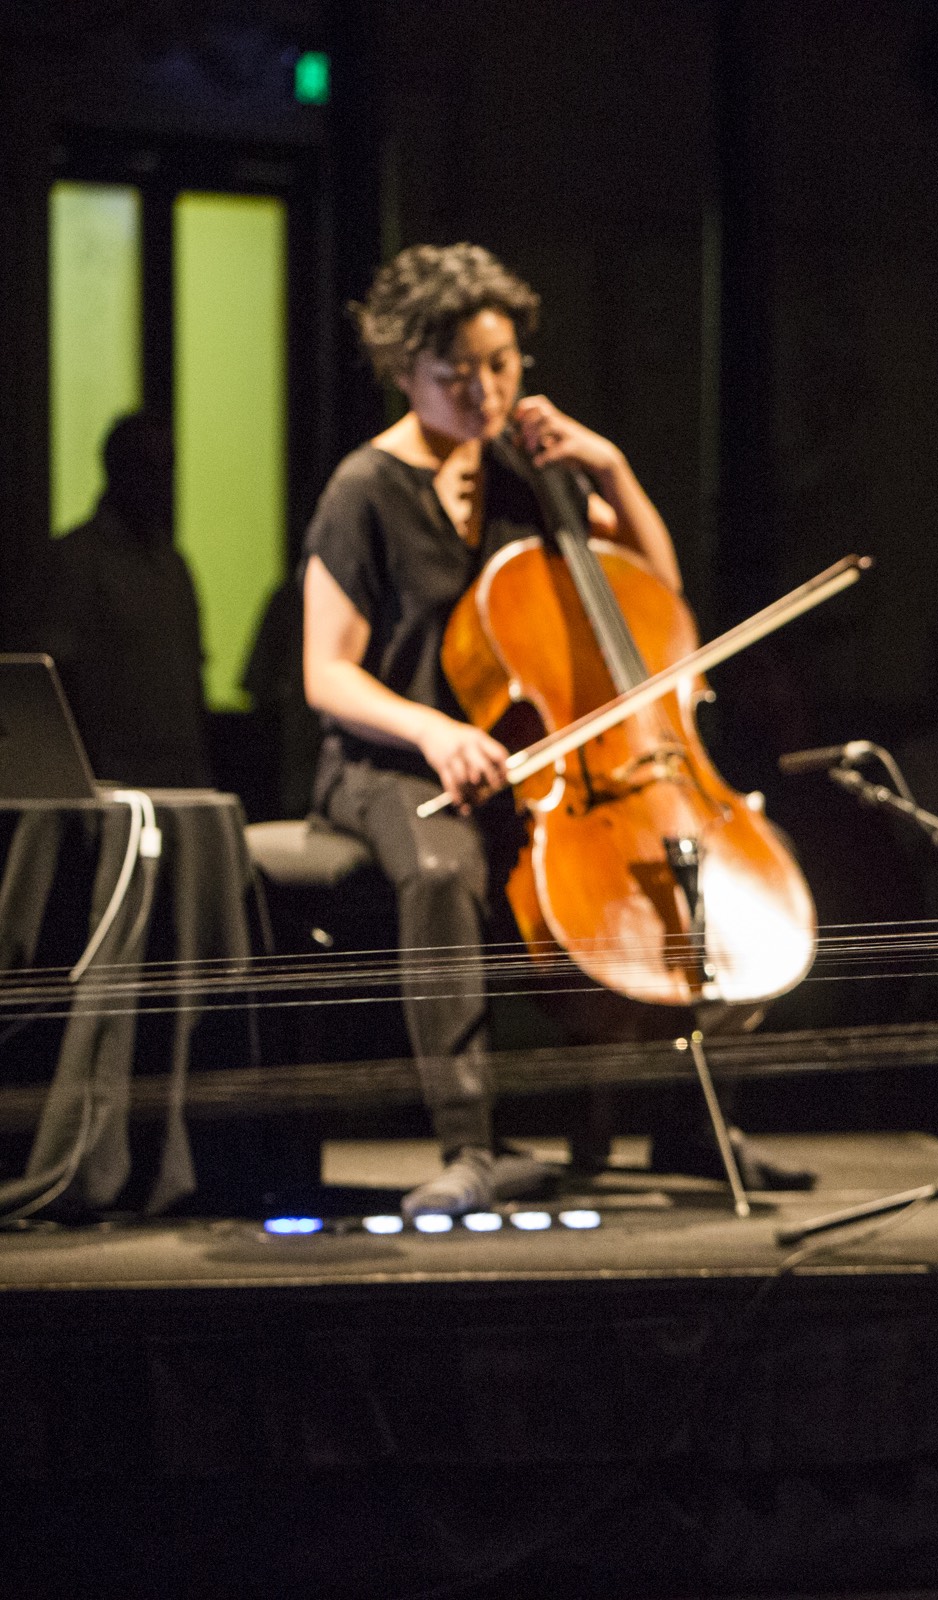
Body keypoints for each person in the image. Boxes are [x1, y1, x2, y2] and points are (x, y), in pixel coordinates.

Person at [300, 243, 684, 1219]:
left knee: (662, 865)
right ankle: (468, 1143)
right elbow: (325, 672)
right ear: (404, 370)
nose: (486, 388)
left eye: (503, 363)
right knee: (442, 870)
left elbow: (655, 591)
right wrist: (432, 730)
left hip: (520, 758)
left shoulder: (525, 471)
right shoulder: (363, 490)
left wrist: (609, 464)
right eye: (456, 372)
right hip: (389, 762)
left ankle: (671, 1122)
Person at [32, 413, 212, 788]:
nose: (163, 482)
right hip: (111, 772)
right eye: (150, 467)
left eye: (168, 468)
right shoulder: (78, 559)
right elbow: (59, 674)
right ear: (120, 470)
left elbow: (191, 670)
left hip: (179, 771)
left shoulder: (171, 562)